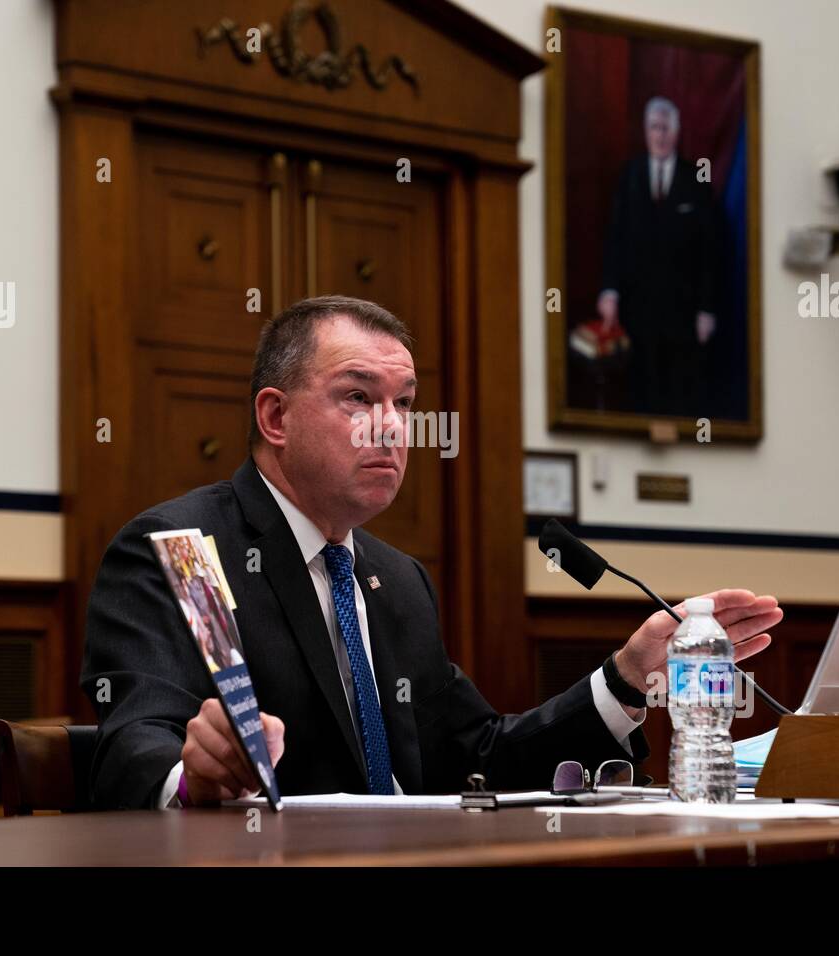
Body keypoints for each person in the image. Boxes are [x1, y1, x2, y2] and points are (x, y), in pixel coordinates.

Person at [81, 295, 781, 808]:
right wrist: (194, 774)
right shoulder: (182, 552)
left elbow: (481, 758)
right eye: (358, 398)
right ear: (275, 417)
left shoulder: (397, 580)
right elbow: (134, 746)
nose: (390, 428)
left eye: (405, 403)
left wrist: (626, 680)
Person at [597, 96, 719, 415]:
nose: (660, 135)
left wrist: (706, 309)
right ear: (645, 131)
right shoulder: (630, 176)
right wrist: (610, 291)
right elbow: (616, 238)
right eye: (654, 128)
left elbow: (709, 251)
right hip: (637, 306)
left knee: (678, 391)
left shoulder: (696, 180)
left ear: (676, 133)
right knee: (639, 386)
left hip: (682, 311)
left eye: (666, 128)